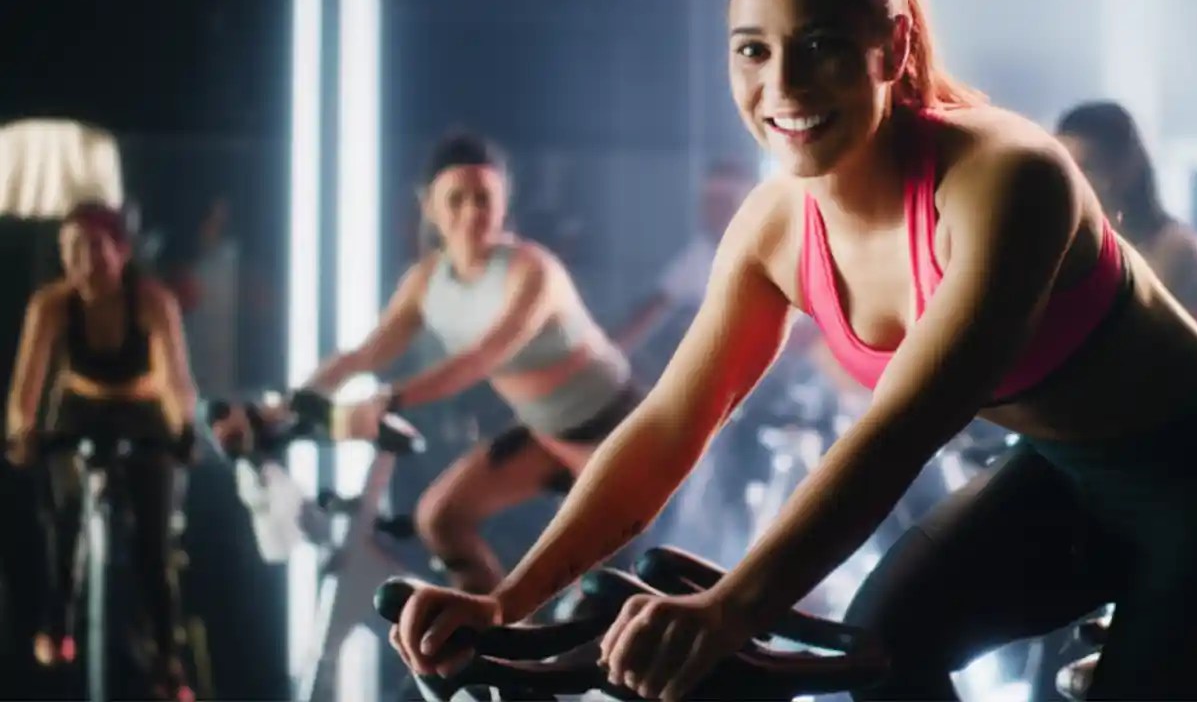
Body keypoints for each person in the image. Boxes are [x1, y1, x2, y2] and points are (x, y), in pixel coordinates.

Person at [386, 0, 1197, 699]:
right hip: (1062, 476)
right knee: (884, 648)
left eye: (818, 44)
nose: (782, 87)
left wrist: (731, 610)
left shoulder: (1009, 178)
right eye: (753, 50)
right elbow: (670, 425)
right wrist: (504, 601)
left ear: (890, 45)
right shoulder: (773, 228)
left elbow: (898, 432)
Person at [261, 131, 643, 594]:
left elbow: (481, 358)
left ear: (503, 203)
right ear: (429, 206)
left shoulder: (532, 270)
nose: (471, 213)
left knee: (599, 590)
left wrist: (391, 398)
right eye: (456, 199)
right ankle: (486, 641)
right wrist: (280, 409)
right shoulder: (426, 281)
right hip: (546, 434)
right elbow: (364, 355)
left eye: (484, 198)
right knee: (440, 520)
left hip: (615, 434)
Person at [5, 202, 197, 700]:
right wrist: (23, 432)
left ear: (122, 252)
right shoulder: (51, 303)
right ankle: (58, 619)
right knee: (64, 508)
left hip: (141, 408)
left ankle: (164, 653)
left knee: (154, 541)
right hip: (79, 409)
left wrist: (184, 433)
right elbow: (27, 386)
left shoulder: (152, 300)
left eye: (93, 247)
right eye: (71, 249)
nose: (83, 261)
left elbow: (177, 381)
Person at [1057, 101, 1197, 404]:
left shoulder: (1174, 250)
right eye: (1065, 168)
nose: (1074, 183)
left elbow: (1117, 349)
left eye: (1087, 168)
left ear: (1124, 169)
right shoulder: (1120, 247)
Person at [613, 159, 756, 354]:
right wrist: (608, 355)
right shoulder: (699, 254)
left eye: (723, 201)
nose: (713, 210)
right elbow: (655, 307)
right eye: (709, 200)